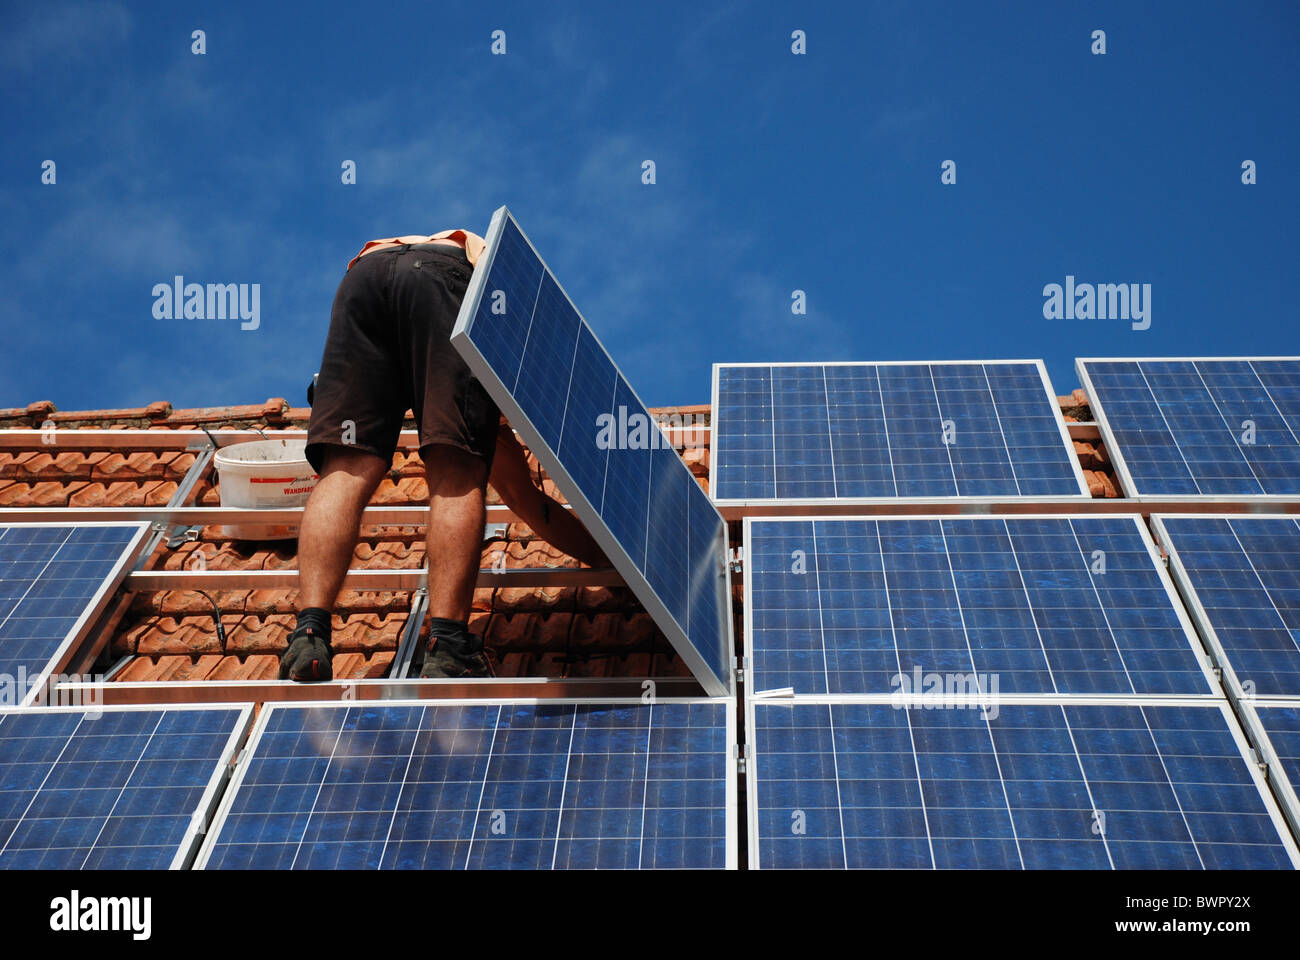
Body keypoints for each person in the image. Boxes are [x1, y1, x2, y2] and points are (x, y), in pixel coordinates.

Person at [280, 228, 606, 682]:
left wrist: (616, 563)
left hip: (364, 276)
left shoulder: (484, 405)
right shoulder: (505, 364)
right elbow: (526, 500)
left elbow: (525, 498)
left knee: (346, 468)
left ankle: (308, 636)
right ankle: (450, 642)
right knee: (456, 467)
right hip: (443, 276)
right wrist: (616, 564)